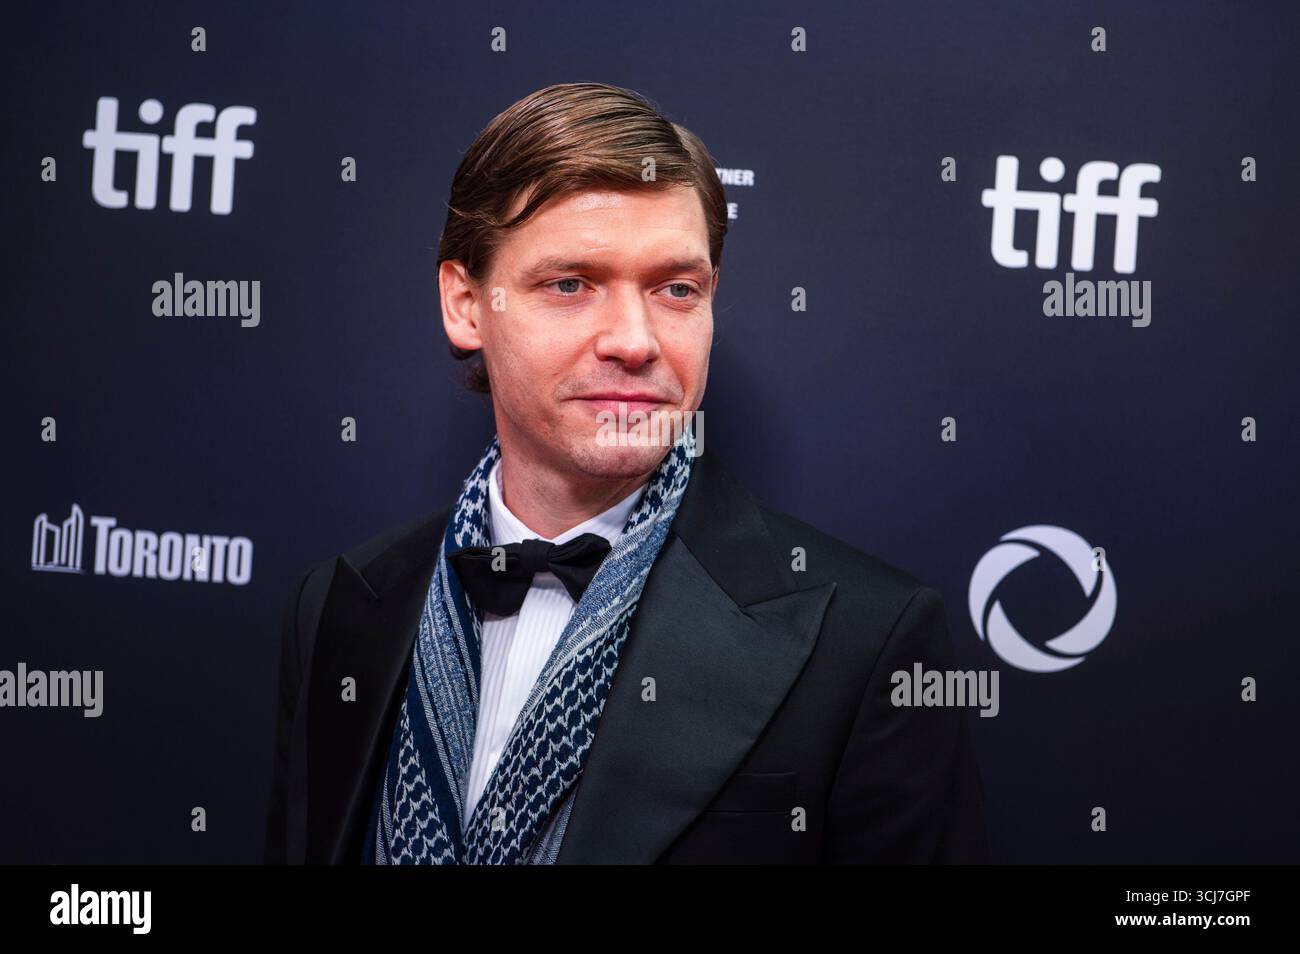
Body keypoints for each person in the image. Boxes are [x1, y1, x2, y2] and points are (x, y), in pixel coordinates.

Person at [263, 81, 988, 864]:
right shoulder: (339, 604)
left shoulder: (868, 641)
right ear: (466, 304)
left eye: (677, 289)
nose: (634, 340)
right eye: (570, 285)